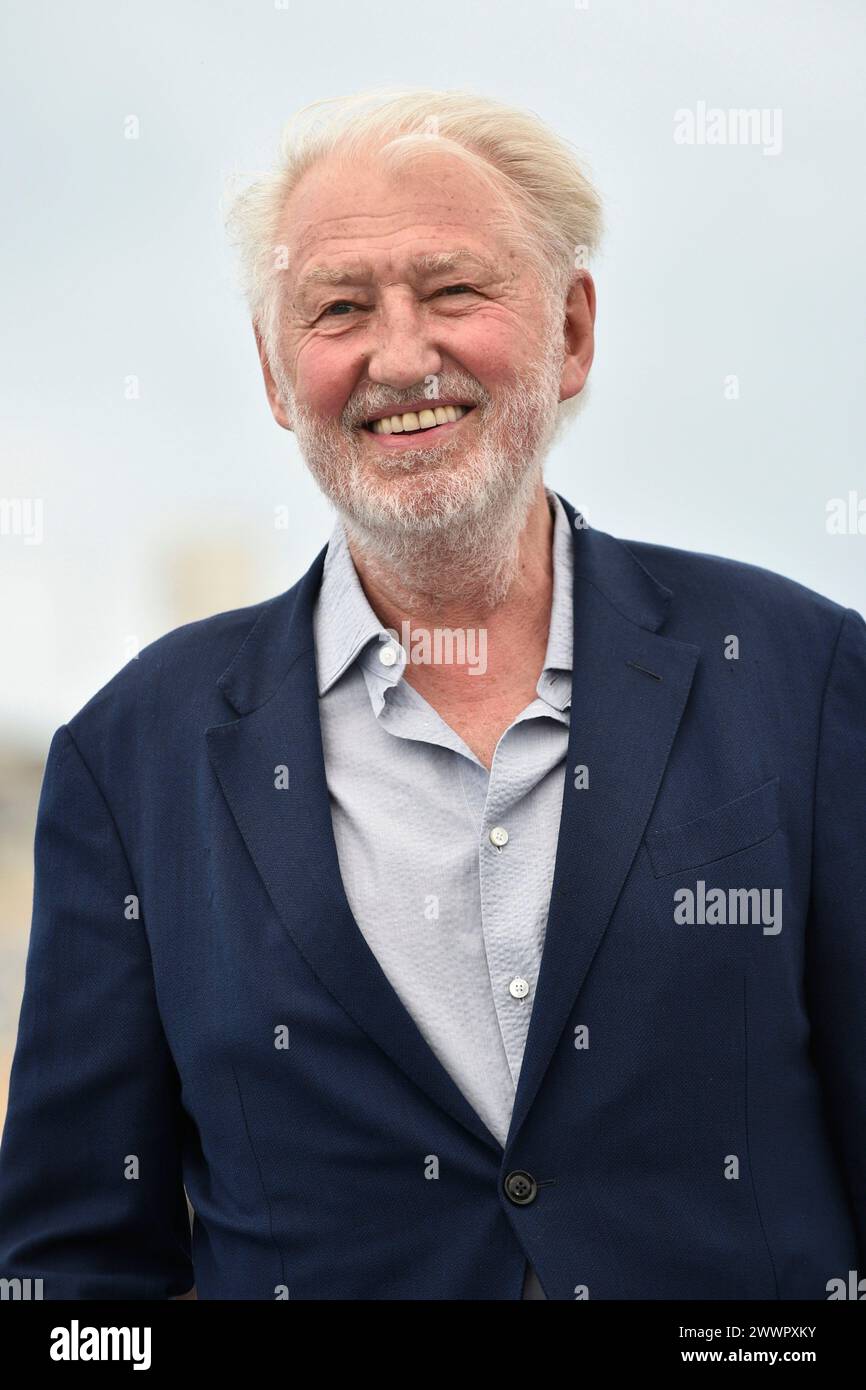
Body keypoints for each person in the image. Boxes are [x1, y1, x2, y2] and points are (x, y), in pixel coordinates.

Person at [0, 87, 863, 1300]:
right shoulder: (132, 756)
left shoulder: (802, 676)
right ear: (272, 370)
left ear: (568, 331)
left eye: (453, 291)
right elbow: (74, 1269)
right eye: (339, 308)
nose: (398, 356)